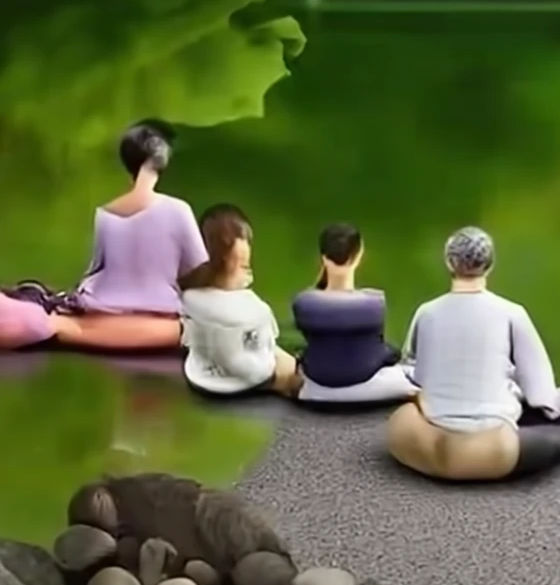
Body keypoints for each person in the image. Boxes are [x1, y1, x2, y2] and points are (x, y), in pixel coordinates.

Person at [387, 227, 560, 481]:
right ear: (490, 265)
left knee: (405, 417)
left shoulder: (426, 312)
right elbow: (541, 393)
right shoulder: (511, 312)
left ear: (448, 262)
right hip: (495, 438)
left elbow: (417, 376)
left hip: (437, 426)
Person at [48, 121, 209, 349]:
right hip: (158, 316)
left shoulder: (104, 213)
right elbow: (200, 270)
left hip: (101, 310)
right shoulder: (177, 209)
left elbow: (96, 268)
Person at [291, 223, 416, 405]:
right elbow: (377, 349)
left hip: (319, 378)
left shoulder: (303, 303)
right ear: (358, 256)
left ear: (323, 258)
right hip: (365, 376)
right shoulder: (374, 303)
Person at [180, 204, 298, 396]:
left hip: (249, 361)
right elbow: (240, 364)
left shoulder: (193, 297)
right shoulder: (223, 313)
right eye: (242, 267)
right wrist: (277, 373)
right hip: (238, 377)